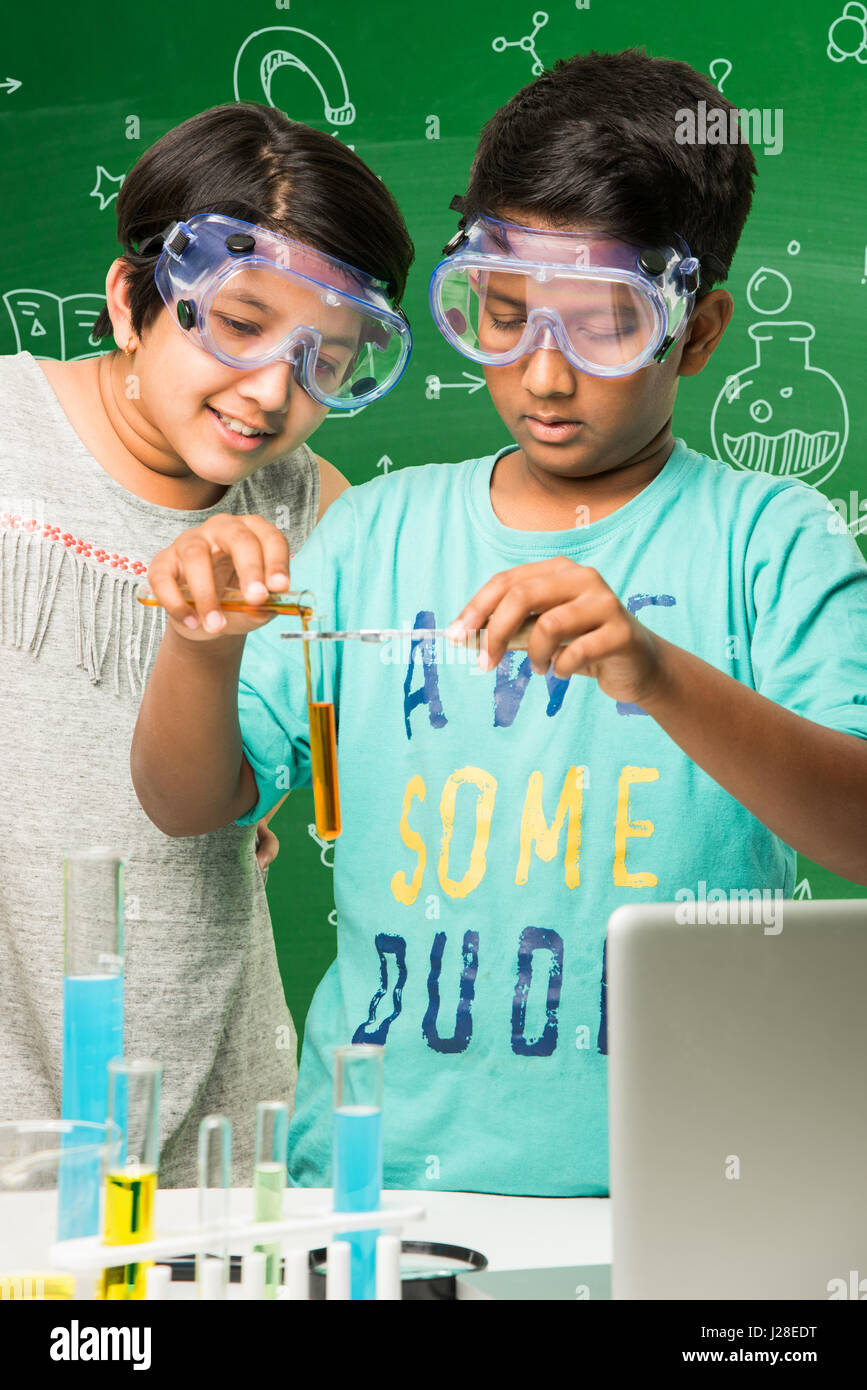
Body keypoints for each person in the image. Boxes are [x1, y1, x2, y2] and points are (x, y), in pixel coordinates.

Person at [131, 51, 867, 1196]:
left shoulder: (776, 540)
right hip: (373, 1185)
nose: (544, 372)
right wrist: (204, 642)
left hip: (685, 1193)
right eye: (504, 316)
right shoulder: (373, 534)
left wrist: (656, 672)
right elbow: (191, 803)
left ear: (703, 330)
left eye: (604, 327)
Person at [0, 100, 413, 1185]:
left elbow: (294, 778)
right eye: (237, 321)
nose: (272, 390)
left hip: (223, 1122)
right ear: (132, 301)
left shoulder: (314, 509)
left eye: (324, 356)